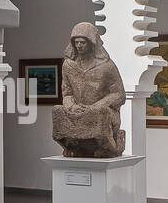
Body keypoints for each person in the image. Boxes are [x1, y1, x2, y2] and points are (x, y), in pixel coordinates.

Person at [51, 22, 127, 157]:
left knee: (98, 113)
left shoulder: (106, 66)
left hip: (103, 111)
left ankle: (109, 147)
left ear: (92, 43)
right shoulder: (68, 65)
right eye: (76, 42)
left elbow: (119, 94)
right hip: (77, 110)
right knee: (58, 110)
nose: (79, 45)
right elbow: (67, 92)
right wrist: (71, 106)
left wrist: (96, 106)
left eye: (83, 42)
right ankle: (71, 145)